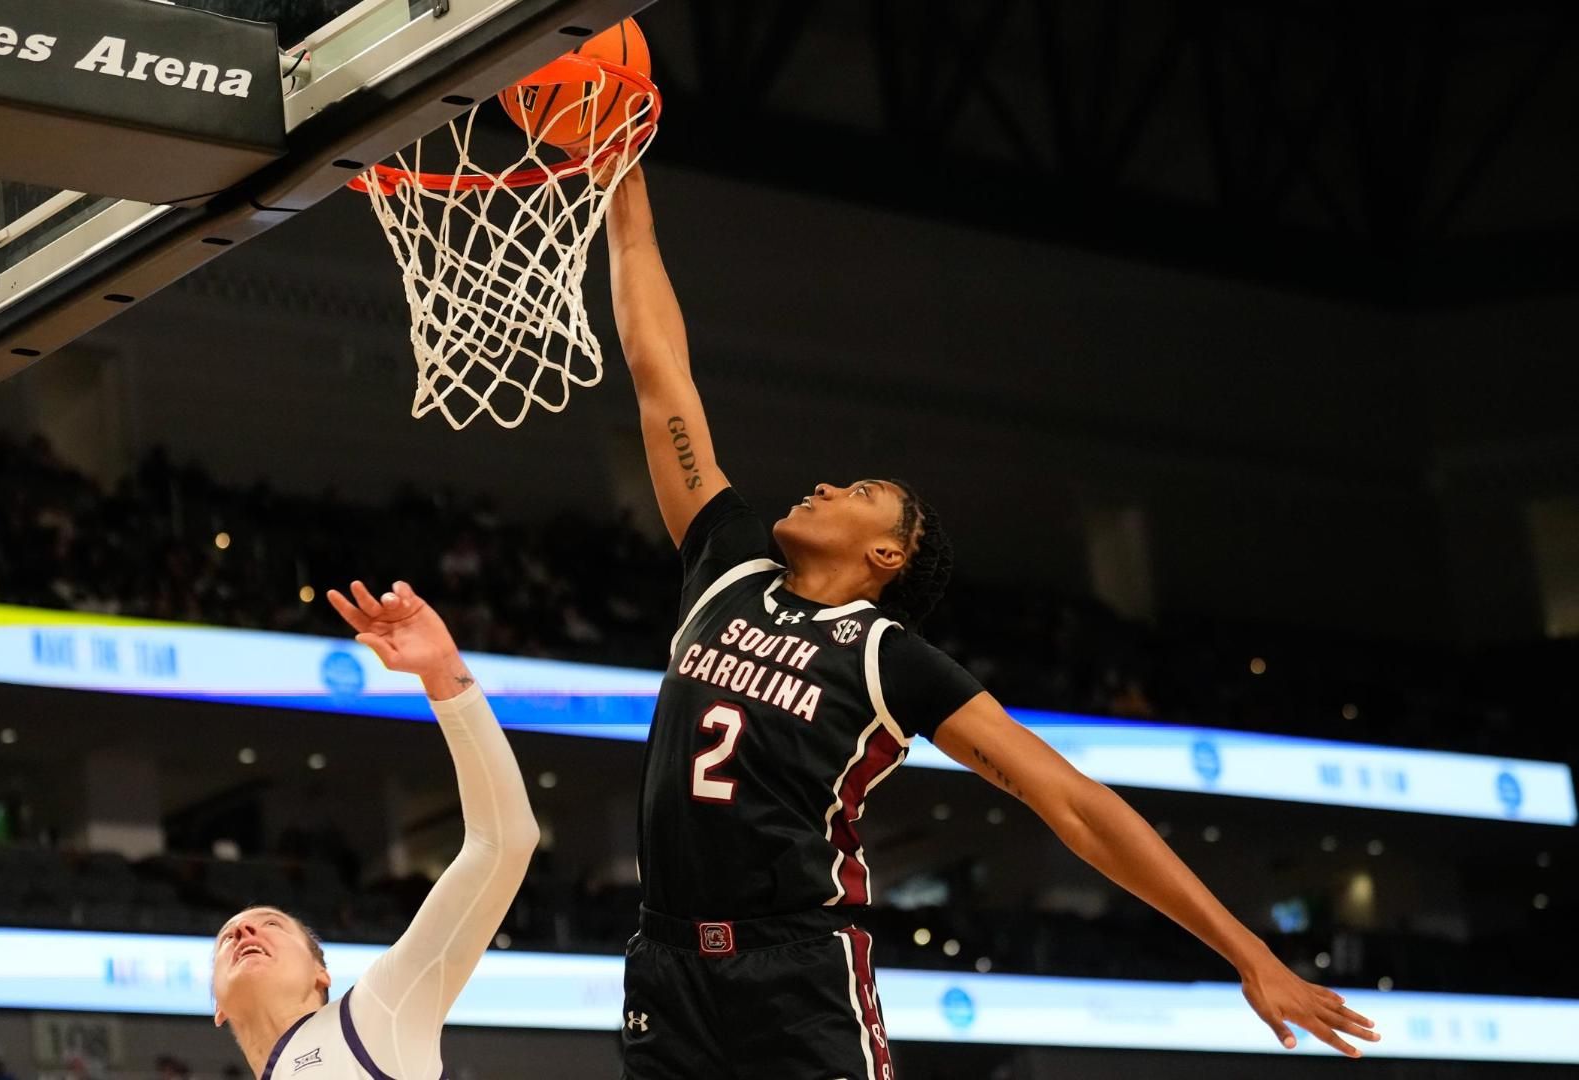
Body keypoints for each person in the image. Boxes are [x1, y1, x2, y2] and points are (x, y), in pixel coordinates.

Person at [601, 166, 1381, 1079]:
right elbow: (660, 370)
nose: (824, 485)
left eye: (860, 491)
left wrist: (1249, 954)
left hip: (794, 977)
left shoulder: (892, 661)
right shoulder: (726, 565)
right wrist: (622, 184)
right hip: (664, 969)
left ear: (888, 554)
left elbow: (1075, 804)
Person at [210, 580, 539, 1079]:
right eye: (226, 939)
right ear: (217, 1005)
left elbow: (504, 843)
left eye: (272, 924)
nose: (243, 931)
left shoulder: (373, 1015)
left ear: (321, 974)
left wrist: (442, 671)